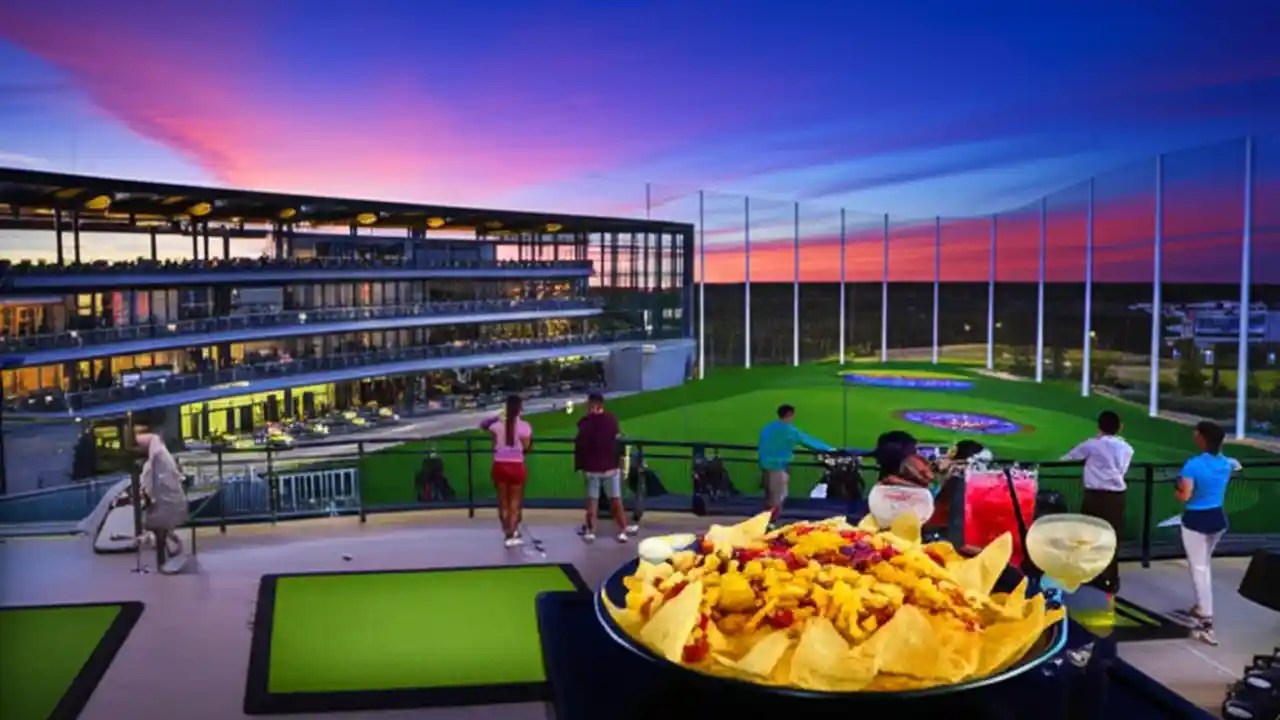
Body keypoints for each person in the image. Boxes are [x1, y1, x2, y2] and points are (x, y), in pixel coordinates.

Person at [1173, 420, 1235, 646]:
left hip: (1196, 521)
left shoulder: (1193, 465)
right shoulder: (1227, 463)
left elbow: (1185, 496)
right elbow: (1233, 465)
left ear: (1202, 438)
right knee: (1204, 565)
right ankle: (1200, 608)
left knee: (1199, 570)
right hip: (1218, 519)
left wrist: (1177, 488)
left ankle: (1206, 623)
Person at [1061, 410, 1134, 594]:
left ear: (1099, 426)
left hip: (1095, 496)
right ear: (1119, 427)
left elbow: (1069, 457)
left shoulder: (1092, 445)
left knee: (1090, 535)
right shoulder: (1126, 448)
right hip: (1117, 496)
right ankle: (1110, 578)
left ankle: (1092, 575)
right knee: (1111, 536)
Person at [757, 404, 833, 521]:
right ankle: (770, 526)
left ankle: (766, 524)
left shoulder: (768, 428)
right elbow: (808, 441)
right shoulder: (789, 430)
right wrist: (830, 450)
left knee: (769, 498)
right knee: (777, 500)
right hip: (777, 468)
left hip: (764, 466)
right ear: (789, 415)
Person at [133, 420, 188, 573]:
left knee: (150, 522)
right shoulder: (163, 454)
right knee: (160, 525)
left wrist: (144, 496)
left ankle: (164, 551)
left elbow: (149, 487)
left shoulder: (153, 462)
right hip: (176, 503)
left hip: (165, 508)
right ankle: (169, 543)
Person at [574, 392, 628, 544]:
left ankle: (591, 531)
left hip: (592, 469)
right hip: (610, 467)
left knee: (593, 502)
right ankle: (622, 530)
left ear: (591, 404)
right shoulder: (611, 420)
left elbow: (580, 445)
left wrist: (579, 466)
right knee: (615, 501)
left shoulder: (585, 422)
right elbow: (618, 439)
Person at [480, 395, 532, 547]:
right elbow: (527, 447)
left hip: (499, 465)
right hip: (516, 466)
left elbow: (483, 424)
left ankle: (507, 533)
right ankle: (513, 531)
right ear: (520, 409)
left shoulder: (497, 426)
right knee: (514, 503)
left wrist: (498, 416)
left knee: (503, 502)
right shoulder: (524, 427)